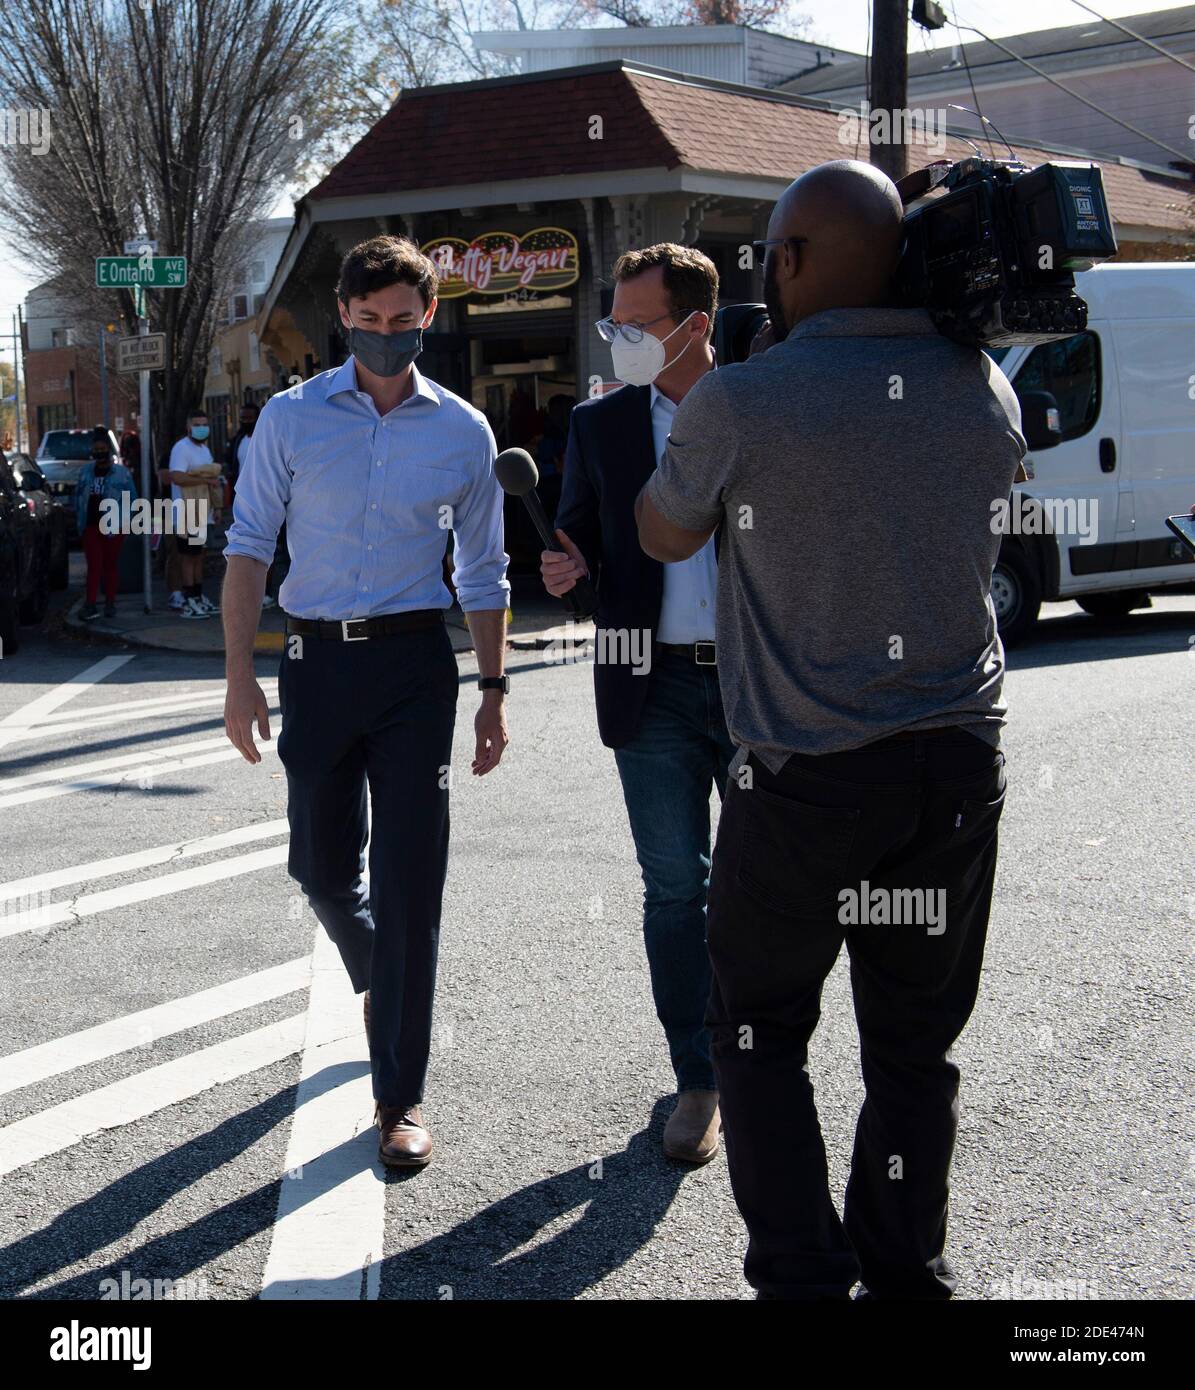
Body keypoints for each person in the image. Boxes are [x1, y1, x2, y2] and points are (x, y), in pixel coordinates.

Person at [636, 159, 1026, 1299]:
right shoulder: (979, 385)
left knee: (758, 1031)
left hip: (806, 779)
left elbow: (663, 535)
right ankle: (906, 1267)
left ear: (793, 261)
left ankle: (802, 1275)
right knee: (914, 1045)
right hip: (957, 762)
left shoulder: (746, 398)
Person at [221, 234, 511, 1169]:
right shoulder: (290, 421)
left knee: (410, 882)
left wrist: (495, 689)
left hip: (415, 670)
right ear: (343, 316)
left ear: (429, 316)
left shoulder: (464, 431)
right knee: (316, 864)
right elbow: (248, 551)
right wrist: (236, 679)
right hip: (316, 666)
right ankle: (375, 974)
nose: (387, 337)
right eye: (370, 320)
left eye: (404, 322)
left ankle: (401, 1099)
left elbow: (483, 571)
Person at [542, 244, 733, 1165]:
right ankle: (697, 1078)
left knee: (764, 890)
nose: (616, 340)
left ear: (695, 325)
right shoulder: (600, 425)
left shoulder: (757, 408)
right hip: (645, 682)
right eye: (608, 324)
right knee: (674, 890)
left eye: (633, 326)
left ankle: (759, 1059)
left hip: (756, 685)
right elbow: (581, 552)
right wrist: (569, 573)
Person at [159, 411, 219, 619]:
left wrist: (215, 508)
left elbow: (212, 478)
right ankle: (189, 599)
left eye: (204, 424)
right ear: (188, 426)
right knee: (187, 557)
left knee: (199, 556)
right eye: (197, 424)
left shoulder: (203, 449)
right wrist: (204, 482)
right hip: (186, 511)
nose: (201, 427)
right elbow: (176, 477)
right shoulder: (181, 448)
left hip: (203, 511)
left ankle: (198, 595)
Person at [76, 431, 137, 621]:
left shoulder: (121, 474)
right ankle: (91, 603)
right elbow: (78, 497)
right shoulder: (86, 472)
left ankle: (110, 603)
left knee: (110, 565)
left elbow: (132, 499)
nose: (99, 453)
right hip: (91, 525)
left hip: (113, 525)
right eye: (96, 450)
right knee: (94, 564)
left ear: (109, 451)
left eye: (102, 450)